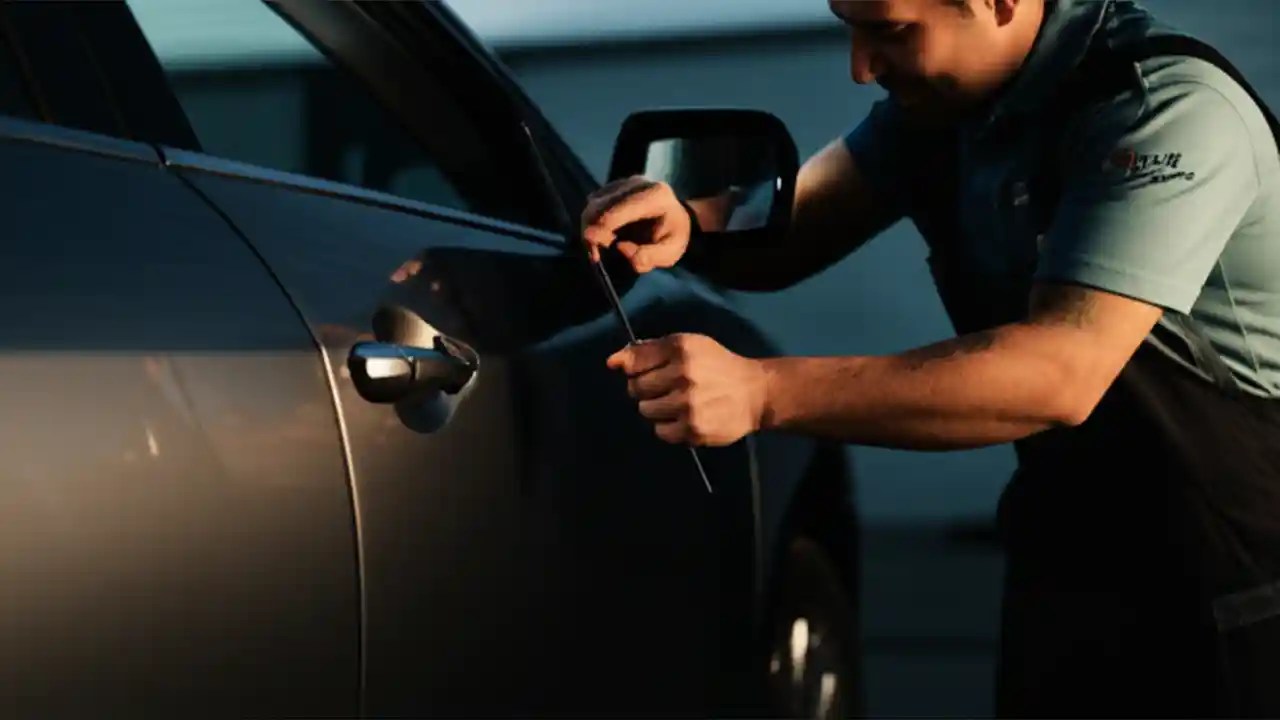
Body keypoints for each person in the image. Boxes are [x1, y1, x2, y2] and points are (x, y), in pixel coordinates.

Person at [580, 0, 1280, 716]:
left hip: (1235, 583)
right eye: (849, 27)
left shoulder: (1164, 111)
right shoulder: (941, 109)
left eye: (888, 30)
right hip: (1071, 558)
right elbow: (796, 224)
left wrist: (760, 392)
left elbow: (1059, 374)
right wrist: (689, 223)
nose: (861, 67)